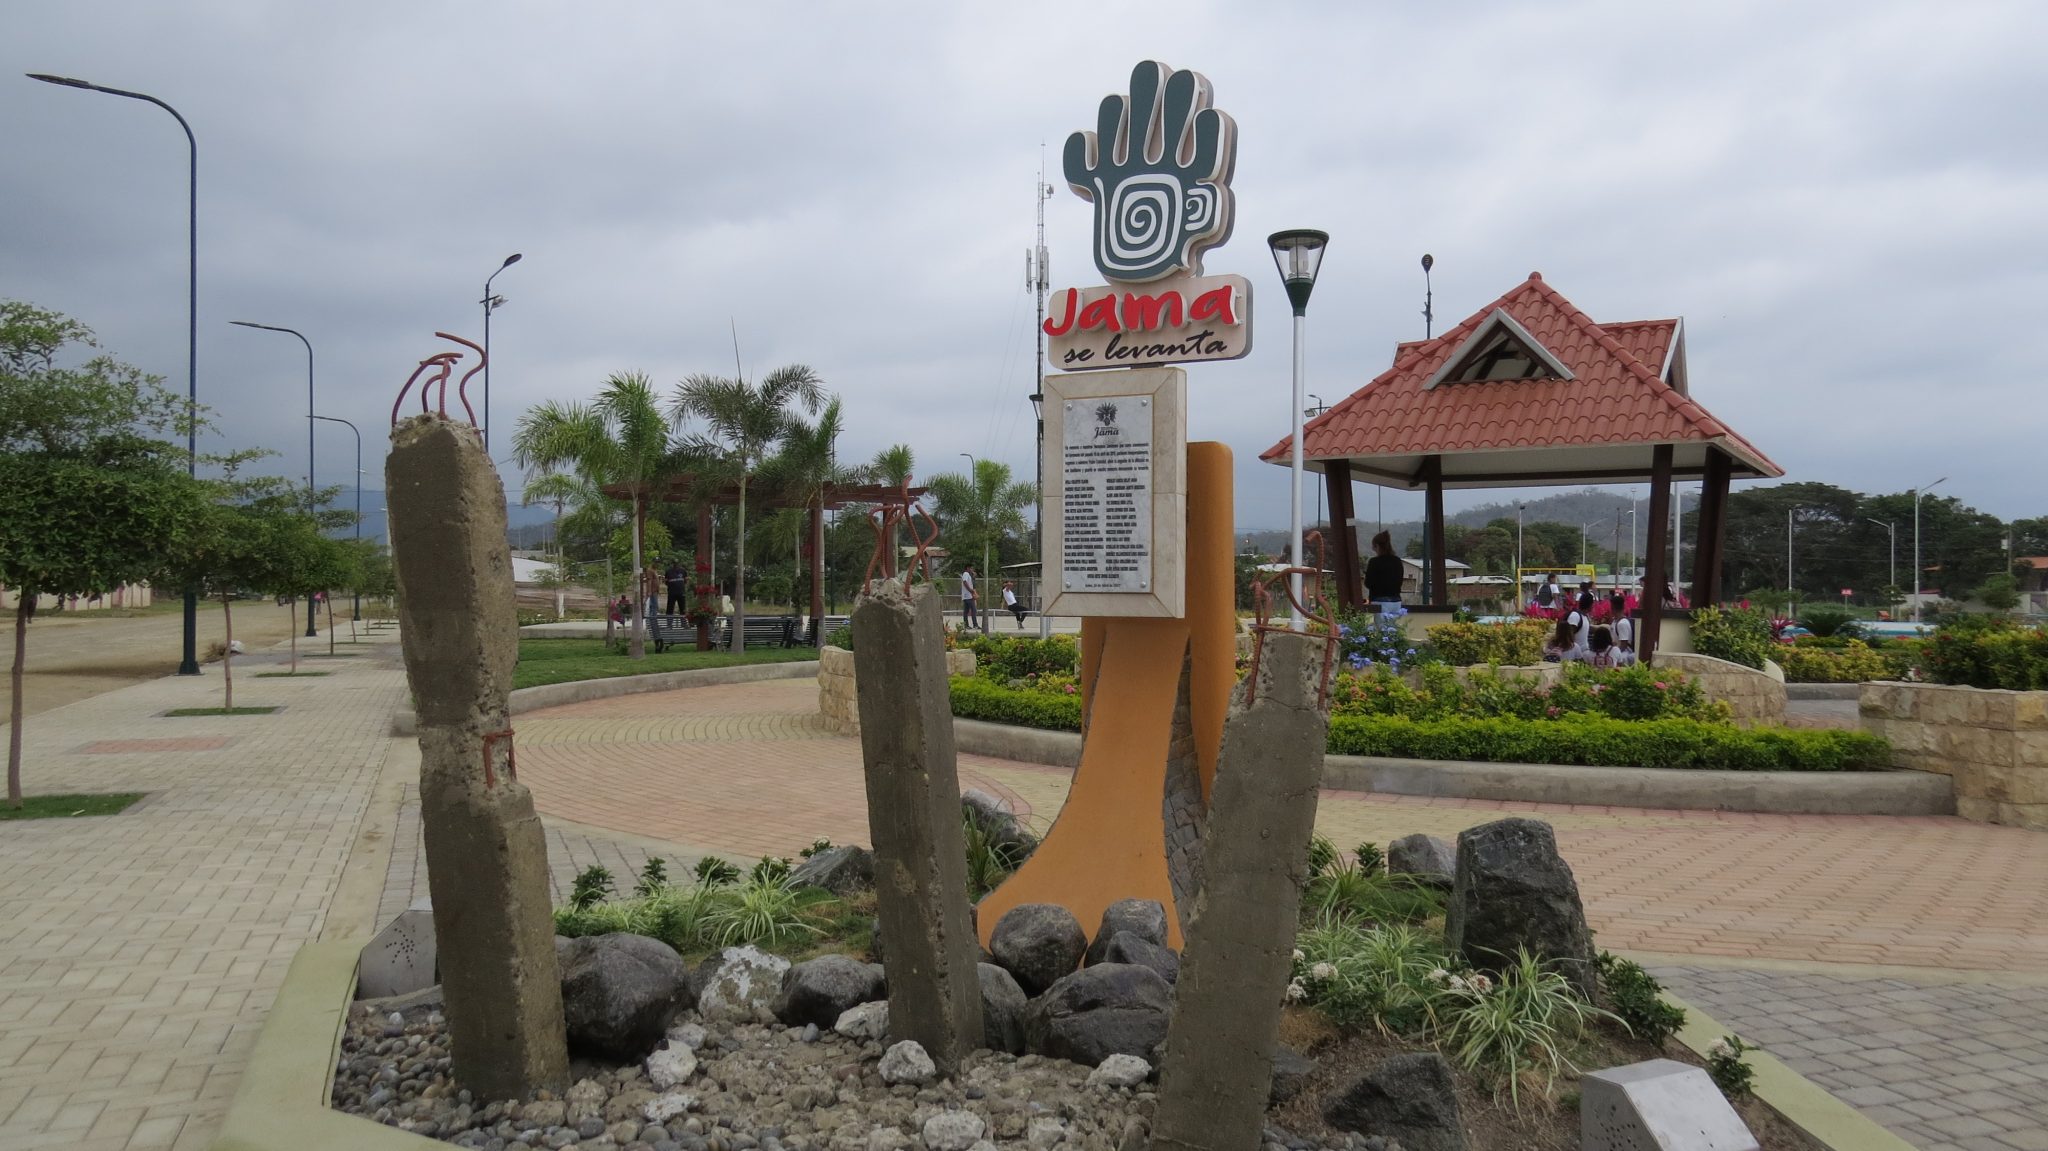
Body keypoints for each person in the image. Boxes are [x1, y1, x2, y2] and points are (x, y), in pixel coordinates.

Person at [1364, 531, 1404, 605]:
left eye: (1373, 546)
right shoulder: (1397, 561)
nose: (1373, 549)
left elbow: (1368, 583)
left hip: (1379, 601)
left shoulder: (1374, 562)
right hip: (1396, 600)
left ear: (1377, 546)